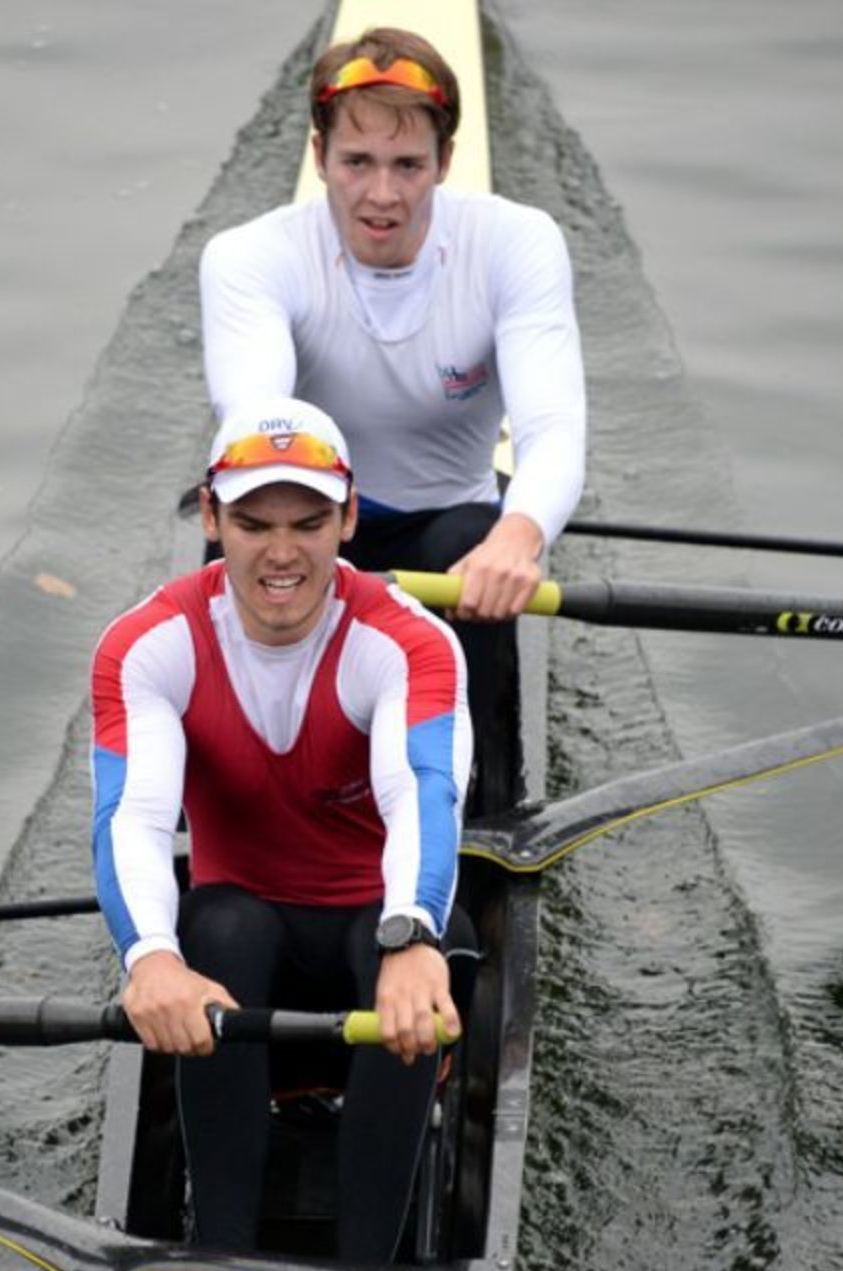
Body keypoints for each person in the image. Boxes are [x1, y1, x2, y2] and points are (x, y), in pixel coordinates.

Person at [91, 397, 471, 1271]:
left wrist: (414, 931)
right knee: (211, 925)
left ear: (350, 519)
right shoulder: (147, 643)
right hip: (240, 946)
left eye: (309, 523)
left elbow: (418, 792)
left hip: (370, 940)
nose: (283, 552)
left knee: (416, 948)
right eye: (254, 524)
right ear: (212, 520)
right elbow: (131, 818)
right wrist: (148, 961)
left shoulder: (411, 642)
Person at [200, 25, 586, 816]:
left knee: (471, 546)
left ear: (445, 163)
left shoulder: (515, 244)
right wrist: (300, 548)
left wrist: (522, 538)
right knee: (241, 530)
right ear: (319, 158)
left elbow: (553, 429)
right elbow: (257, 424)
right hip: (300, 507)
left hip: (447, 532)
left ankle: (469, 811)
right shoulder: (249, 258)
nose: (382, 195)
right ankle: (241, 790)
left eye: (408, 165)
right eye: (357, 163)